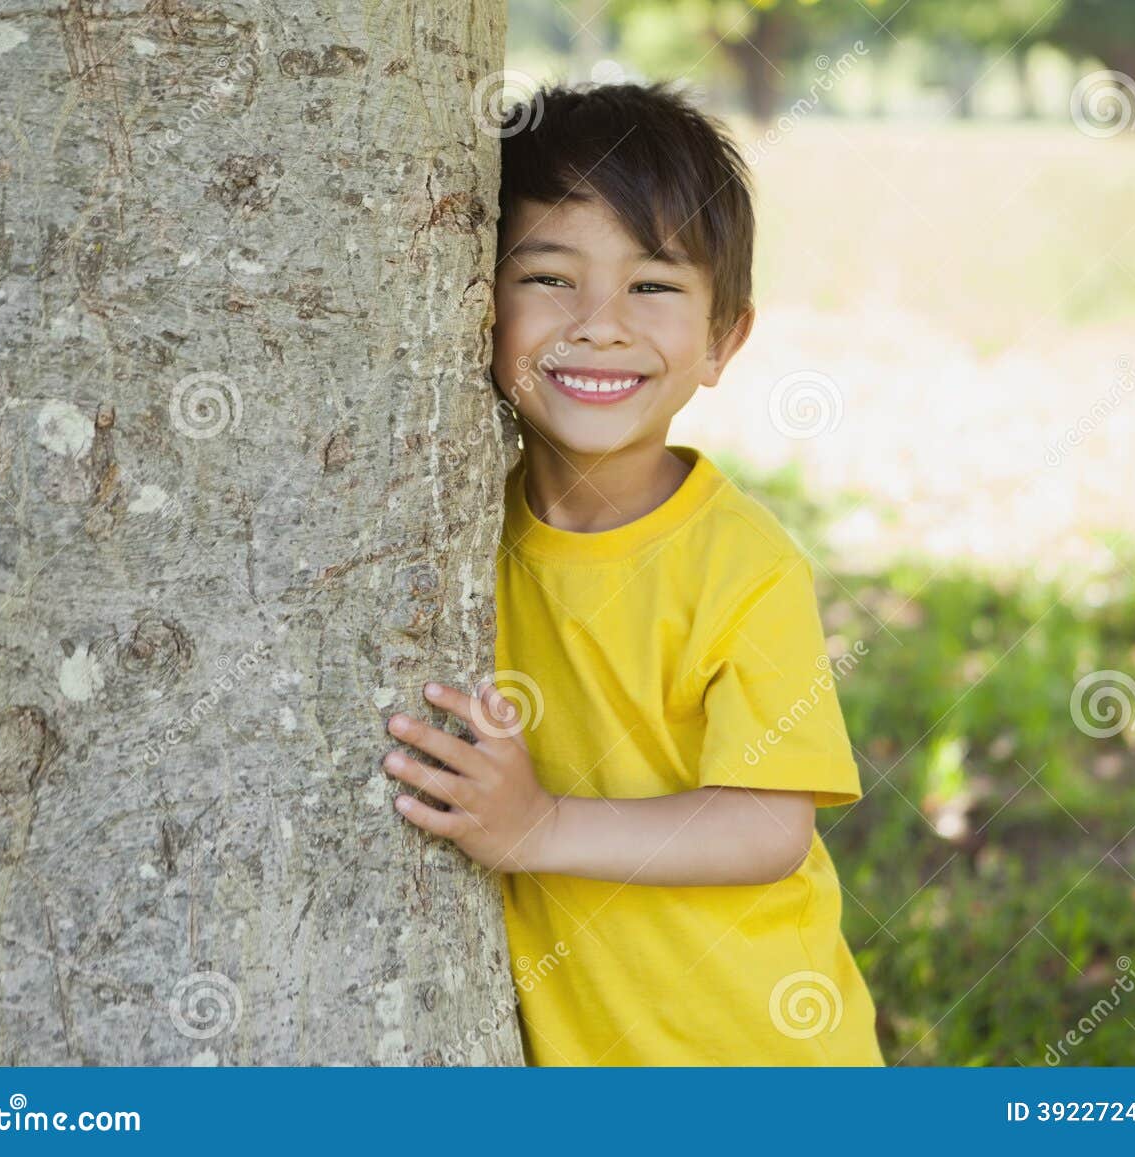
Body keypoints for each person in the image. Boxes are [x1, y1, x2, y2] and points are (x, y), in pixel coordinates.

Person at [382, 80, 882, 1066]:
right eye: (549, 277)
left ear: (721, 340)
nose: (598, 323)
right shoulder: (446, 531)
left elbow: (765, 827)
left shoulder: (744, 568)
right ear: (476, 305)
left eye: (652, 286)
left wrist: (537, 827)